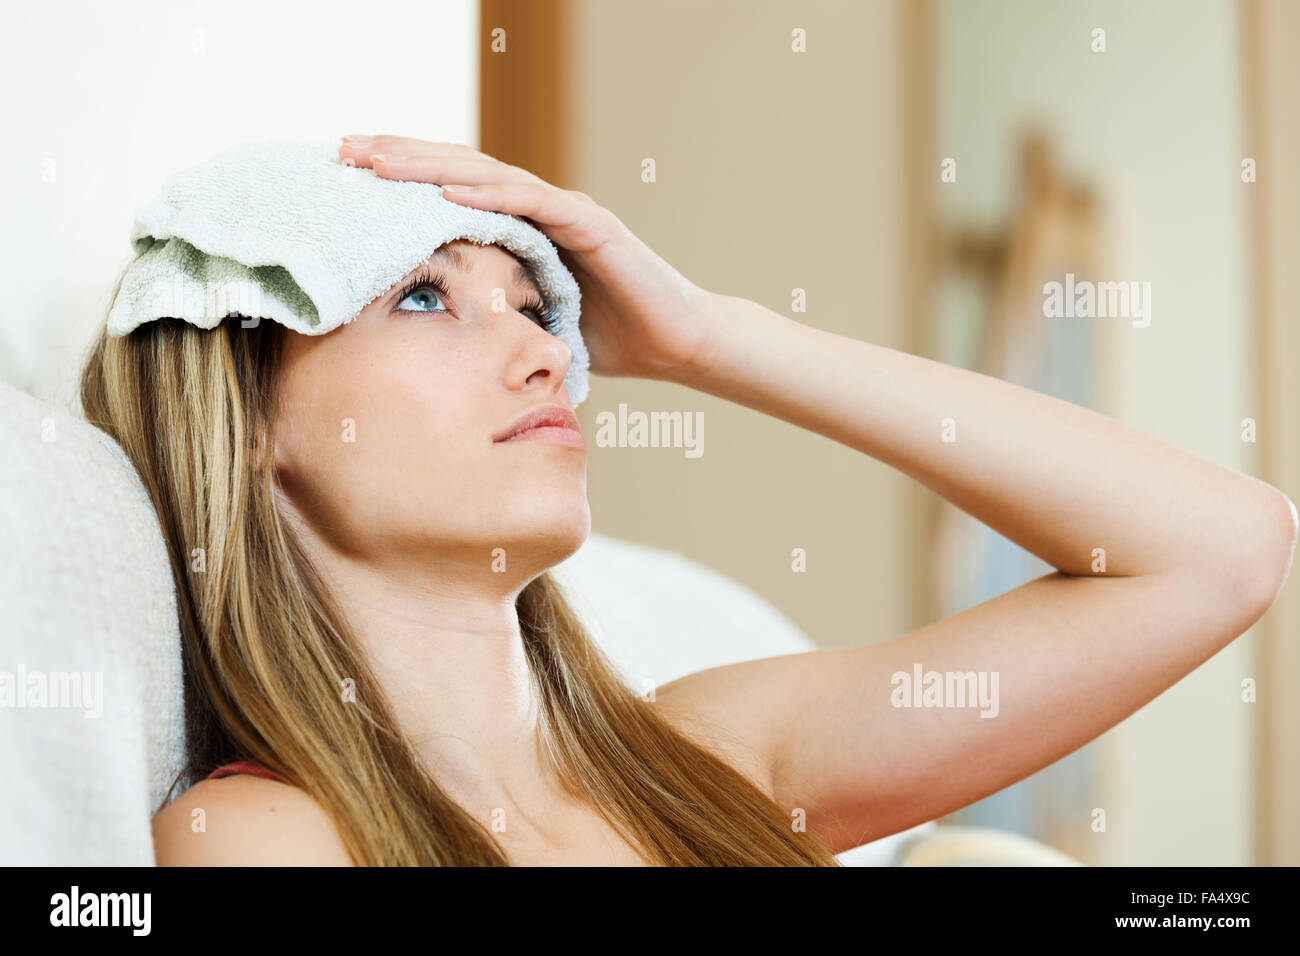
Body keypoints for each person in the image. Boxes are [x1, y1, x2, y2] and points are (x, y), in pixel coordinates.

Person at [85, 135, 1295, 866]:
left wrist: (711, 336)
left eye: (532, 301)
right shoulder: (264, 841)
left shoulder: (711, 757)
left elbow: (1223, 548)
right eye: (421, 297)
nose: (547, 351)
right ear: (245, 420)